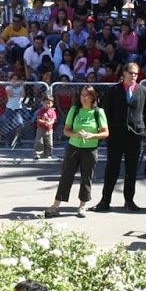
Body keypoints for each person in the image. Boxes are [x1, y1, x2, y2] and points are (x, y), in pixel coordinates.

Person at [94, 63, 146, 213]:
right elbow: (106, 112)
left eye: (136, 73)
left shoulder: (143, 91)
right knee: (111, 168)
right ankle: (105, 200)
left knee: (131, 170)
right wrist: (106, 129)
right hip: (116, 134)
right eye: (131, 73)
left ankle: (129, 200)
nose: (134, 76)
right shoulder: (113, 90)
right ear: (124, 73)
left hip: (134, 135)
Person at [48, 85, 108, 218]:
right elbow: (66, 130)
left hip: (90, 149)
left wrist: (92, 136)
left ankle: (82, 206)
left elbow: (105, 133)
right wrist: (76, 134)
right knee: (66, 175)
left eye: (87, 95)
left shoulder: (99, 112)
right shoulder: (74, 110)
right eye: (82, 95)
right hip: (73, 147)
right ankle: (56, 206)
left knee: (86, 177)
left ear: (93, 97)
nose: (84, 98)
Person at [32, 92, 57, 160]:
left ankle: (48, 154)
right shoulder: (41, 111)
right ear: (43, 103)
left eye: (49, 103)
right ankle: (38, 153)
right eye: (46, 103)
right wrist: (44, 122)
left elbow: (53, 120)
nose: (48, 105)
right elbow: (38, 120)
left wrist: (50, 123)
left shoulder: (52, 112)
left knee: (49, 142)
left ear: (52, 104)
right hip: (41, 129)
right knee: (39, 141)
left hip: (49, 130)